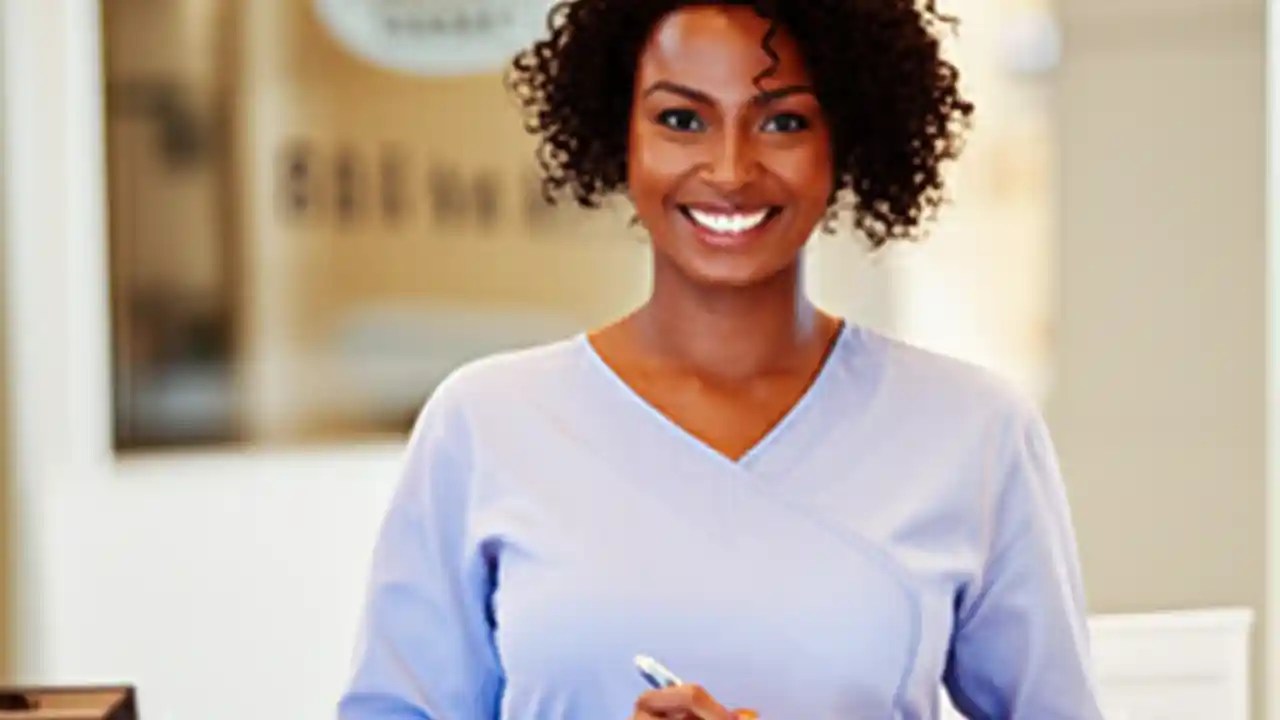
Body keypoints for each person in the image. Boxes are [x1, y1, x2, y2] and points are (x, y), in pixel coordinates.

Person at [338, 1, 1104, 718]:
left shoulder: (971, 433)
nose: (731, 170)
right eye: (681, 119)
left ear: (848, 136)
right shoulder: (487, 424)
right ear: (619, 135)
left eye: (782, 122)